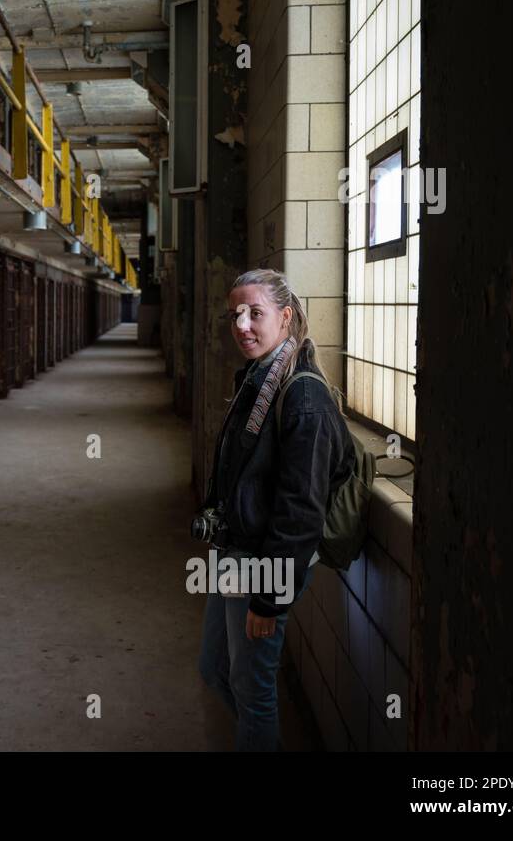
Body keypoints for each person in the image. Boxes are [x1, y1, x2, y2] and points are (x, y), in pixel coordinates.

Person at [196, 268, 352, 751]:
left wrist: (269, 595)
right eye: (235, 314)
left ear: (285, 317)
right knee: (215, 669)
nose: (241, 324)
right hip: (236, 551)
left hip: (263, 565)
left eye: (255, 313)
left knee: (253, 691)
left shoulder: (303, 395)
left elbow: (301, 510)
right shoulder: (260, 377)